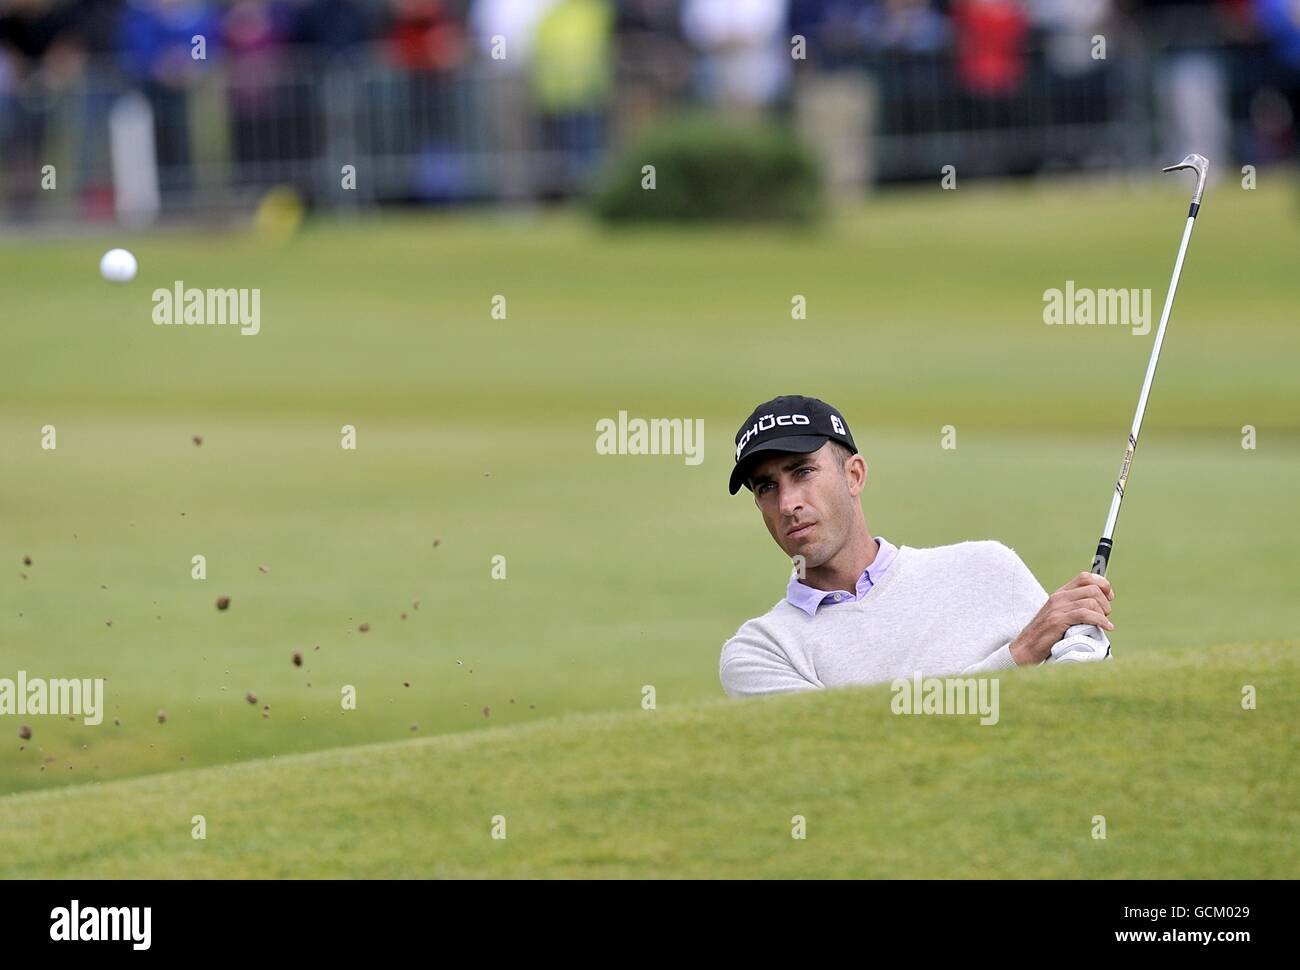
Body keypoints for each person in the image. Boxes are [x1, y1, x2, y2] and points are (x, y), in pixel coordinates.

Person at [720, 394, 1112, 698]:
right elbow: (863, 751)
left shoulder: (988, 568)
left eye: (803, 471)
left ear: (854, 475)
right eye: (766, 487)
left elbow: (1072, 696)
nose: (787, 504)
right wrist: (1018, 657)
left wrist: (1082, 642)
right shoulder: (760, 652)